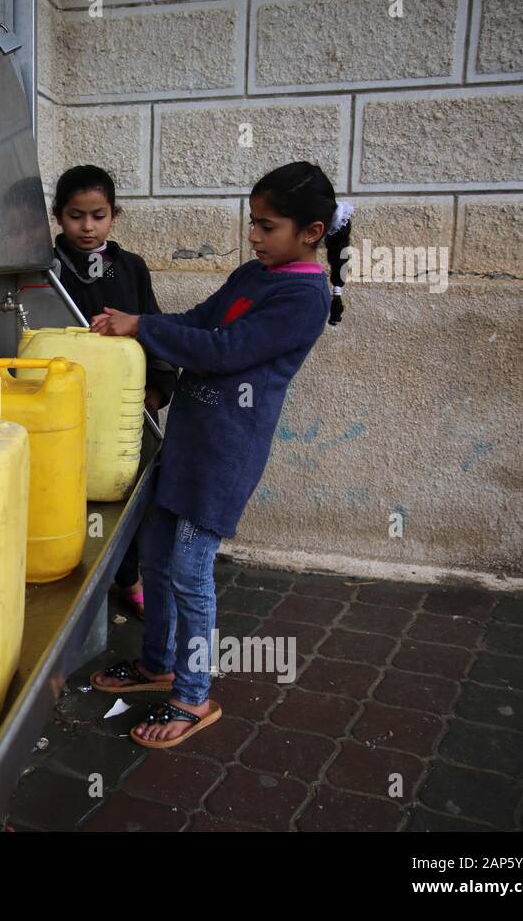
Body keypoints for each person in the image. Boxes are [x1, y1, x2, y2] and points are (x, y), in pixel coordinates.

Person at [87, 161, 351, 749]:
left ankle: (192, 694)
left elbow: (226, 350)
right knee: (154, 557)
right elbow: (198, 323)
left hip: (226, 454)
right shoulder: (251, 275)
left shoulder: (303, 297)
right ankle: (157, 665)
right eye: (252, 223)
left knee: (189, 573)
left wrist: (143, 328)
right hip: (188, 439)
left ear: (310, 232)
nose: (253, 236)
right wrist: (139, 326)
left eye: (267, 226)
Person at [49, 165, 176, 618]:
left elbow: (154, 327)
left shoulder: (131, 268)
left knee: (129, 493)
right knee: (67, 489)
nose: (87, 227)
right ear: (57, 215)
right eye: (76, 216)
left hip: (127, 409)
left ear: (114, 215)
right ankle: (72, 573)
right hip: (63, 408)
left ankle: (129, 577)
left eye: (98, 215)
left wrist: (158, 390)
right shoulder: (46, 270)